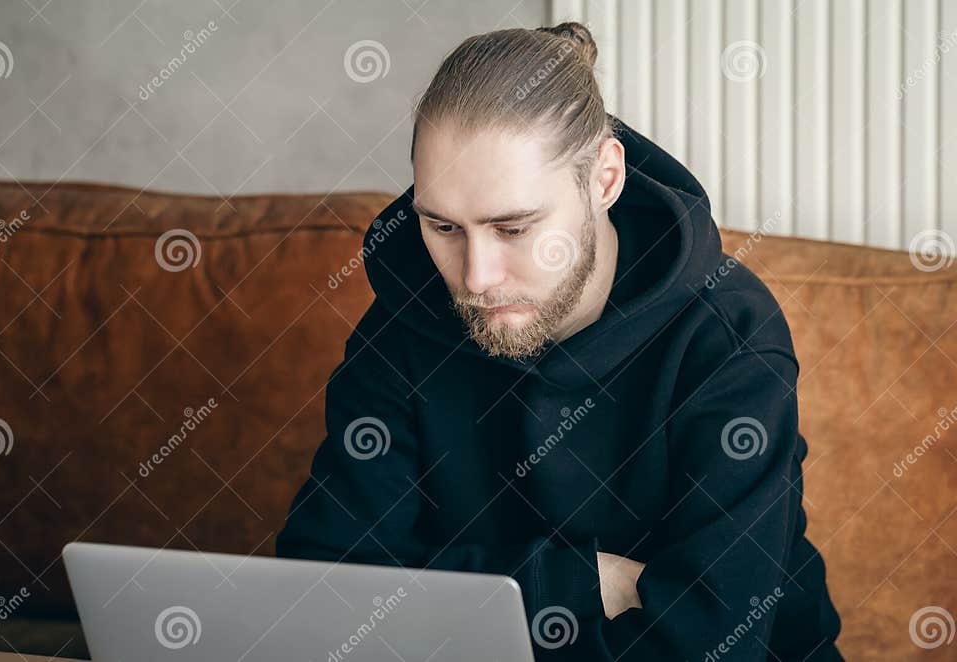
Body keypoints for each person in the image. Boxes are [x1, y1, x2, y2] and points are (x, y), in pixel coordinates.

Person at [276, 21, 843, 661]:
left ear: (603, 179)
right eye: (443, 226)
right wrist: (574, 583)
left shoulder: (727, 338)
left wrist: (442, 598)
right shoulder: (403, 326)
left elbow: (711, 644)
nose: (475, 277)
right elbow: (327, 595)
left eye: (514, 229)